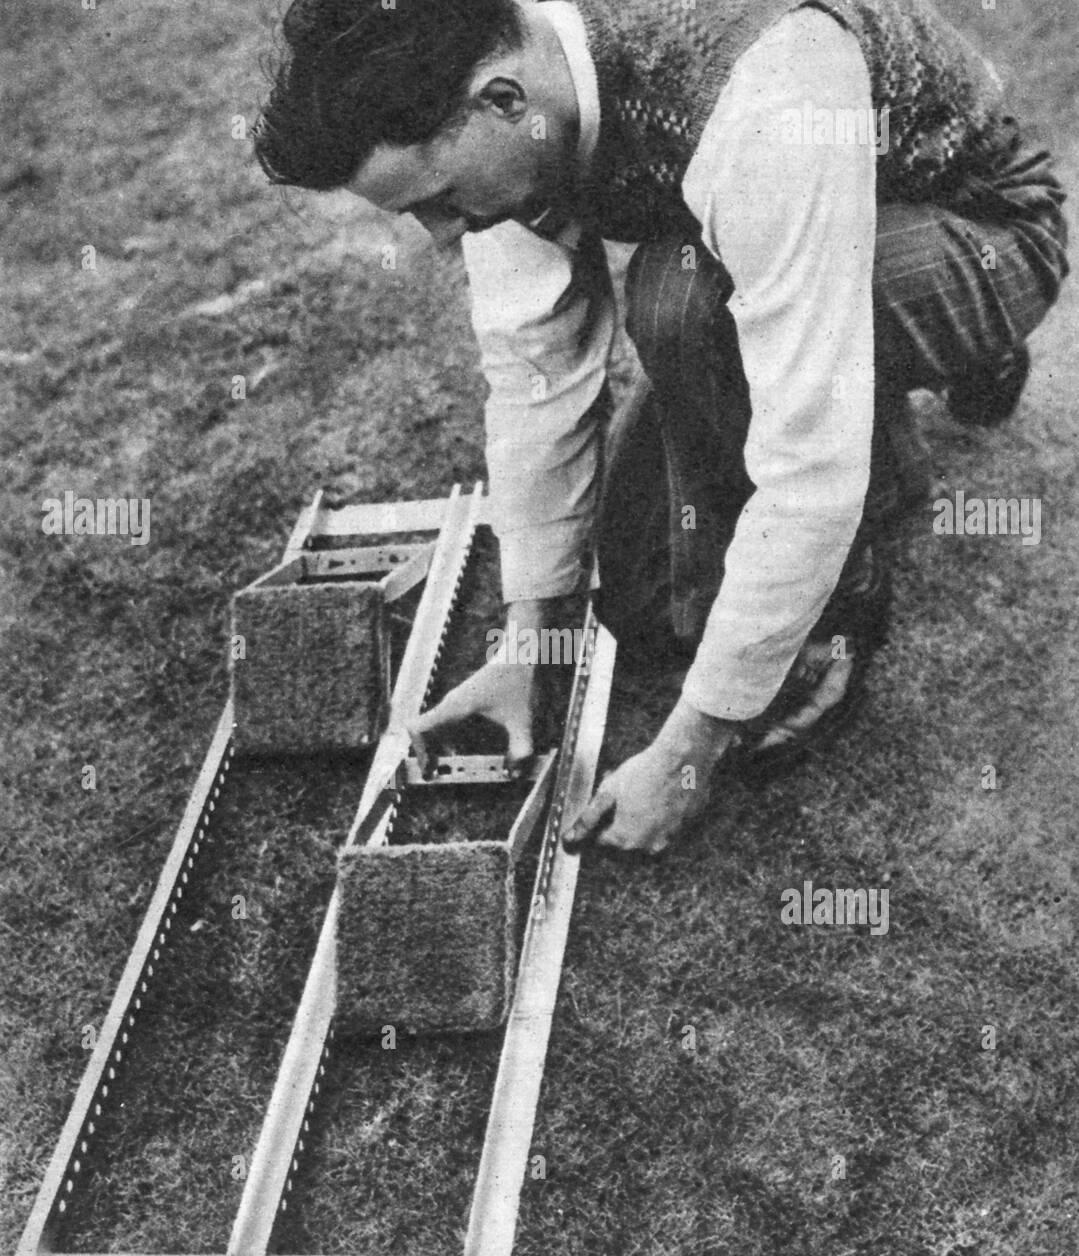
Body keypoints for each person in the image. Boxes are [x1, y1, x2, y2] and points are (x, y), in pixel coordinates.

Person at [254, 0, 1068, 853]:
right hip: (778, 233)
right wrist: (529, 641)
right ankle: (862, 355)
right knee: (647, 608)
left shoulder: (765, 100)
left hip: (983, 228)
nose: (443, 236)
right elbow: (537, 376)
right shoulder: (507, 91)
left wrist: (690, 748)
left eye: (442, 200)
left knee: (689, 309)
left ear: (501, 100)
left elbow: (807, 471)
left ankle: (882, 515)